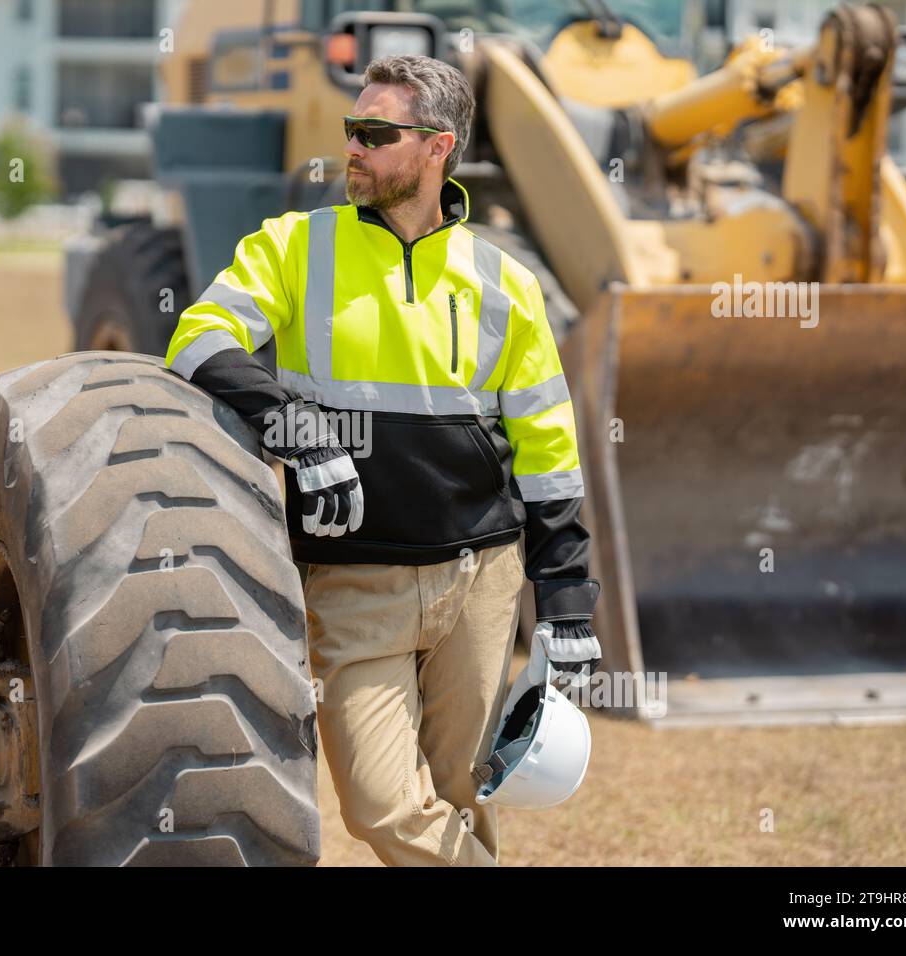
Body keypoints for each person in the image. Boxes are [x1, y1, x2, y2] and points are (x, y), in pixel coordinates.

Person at [166, 54, 601, 866]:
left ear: (437, 148)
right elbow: (197, 341)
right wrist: (295, 424)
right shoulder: (295, 246)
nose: (352, 150)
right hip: (352, 582)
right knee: (379, 804)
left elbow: (548, 449)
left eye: (374, 133)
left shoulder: (506, 281)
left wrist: (567, 598)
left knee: (466, 796)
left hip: (481, 581)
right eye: (351, 131)